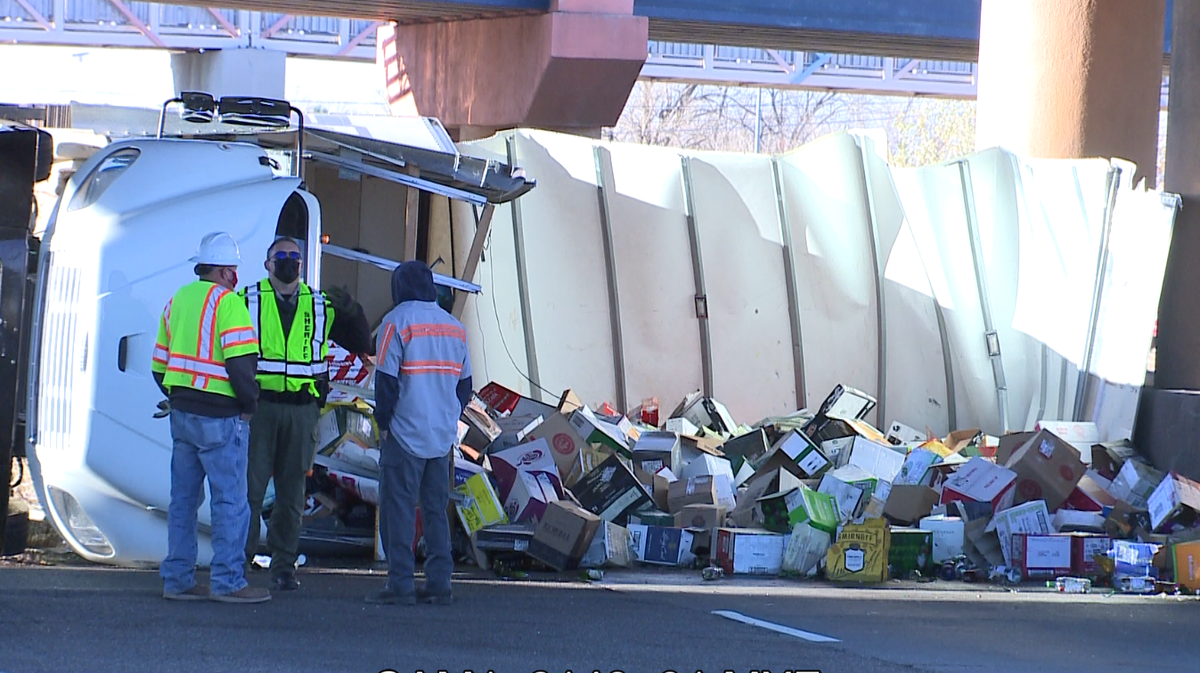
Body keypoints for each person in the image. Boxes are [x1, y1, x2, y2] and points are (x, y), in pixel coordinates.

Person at [239, 237, 372, 591]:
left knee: (291, 493)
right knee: (250, 492)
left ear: (302, 264)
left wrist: (353, 310)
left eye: (294, 257)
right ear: (267, 264)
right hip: (260, 409)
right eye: (280, 257)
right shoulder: (246, 300)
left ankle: (283, 566)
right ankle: (238, 560)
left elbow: (361, 343)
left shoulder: (320, 304)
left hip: (301, 411)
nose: (288, 262)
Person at [152, 232, 269, 604]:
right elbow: (240, 366)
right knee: (230, 502)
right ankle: (228, 581)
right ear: (224, 271)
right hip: (221, 419)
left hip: (182, 415)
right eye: (233, 270)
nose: (236, 276)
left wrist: (179, 395)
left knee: (183, 500)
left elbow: (159, 365)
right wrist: (249, 404)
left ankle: (177, 579)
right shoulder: (229, 304)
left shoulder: (177, 301)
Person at [366, 261, 472, 606]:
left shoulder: (395, 322)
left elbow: (386, 382)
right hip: (441, 436)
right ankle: (440, 584)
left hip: (404, 431)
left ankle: (401, 584)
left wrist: (384, 423)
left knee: (398, 509)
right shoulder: (455, 328)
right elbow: (465, 387)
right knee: (435, 510)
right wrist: (448, 415)